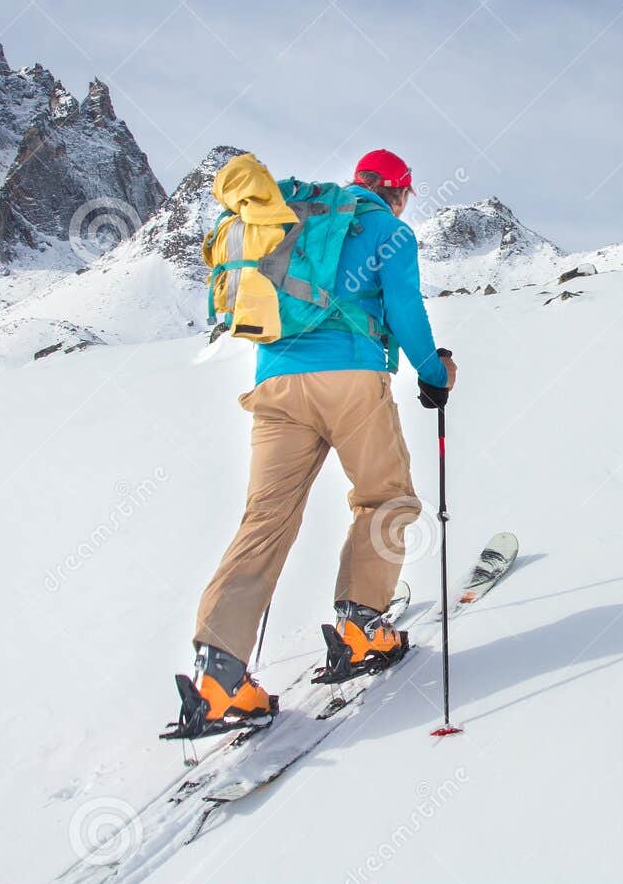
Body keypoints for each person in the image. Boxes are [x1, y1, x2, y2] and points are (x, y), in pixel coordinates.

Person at [186, 149, 456, 731]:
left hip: (275, 384)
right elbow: (406, 314)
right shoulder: (389, 230)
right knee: (385, 499)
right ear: (398, 191)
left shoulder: (293, 216)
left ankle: (219, 675)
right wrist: (435, 377)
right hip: (351, 380)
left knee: (266, 519)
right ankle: (361, 627)